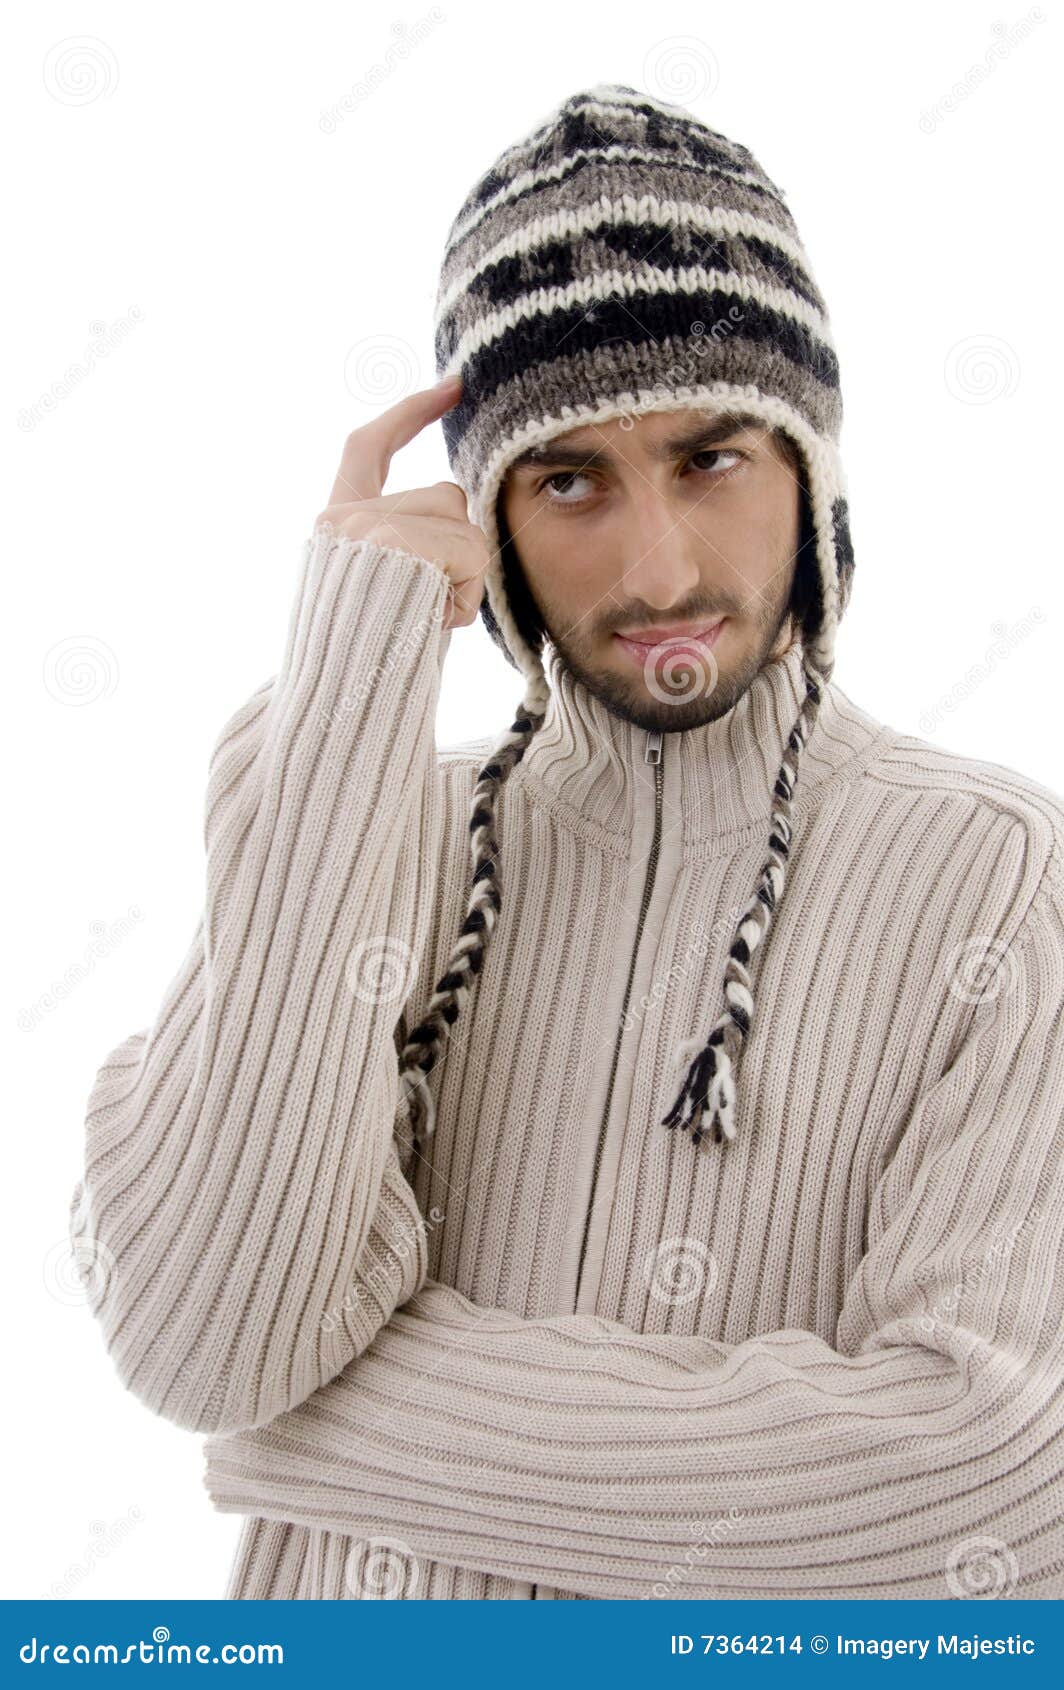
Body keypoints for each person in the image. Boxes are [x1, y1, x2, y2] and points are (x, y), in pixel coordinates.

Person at [69, 83, 1064, 1601]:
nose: (656, 562)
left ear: (812, 470)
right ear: (491, 517)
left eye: (710, 457)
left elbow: (977, 1485)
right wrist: (350, 690)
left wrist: (314, 1422)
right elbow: (210, 1331)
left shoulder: (999, 872)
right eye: (570, 477)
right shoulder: (355, 817)